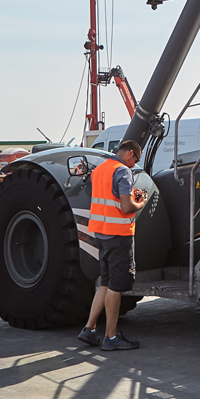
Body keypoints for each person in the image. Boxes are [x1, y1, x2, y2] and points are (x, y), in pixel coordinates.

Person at [77, 140, 148, 351]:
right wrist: (140, 202)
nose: (135, 164)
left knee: (105, 283)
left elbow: (108, 199)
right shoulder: (123, 171)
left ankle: (89, 329)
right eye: (135, 158)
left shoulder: (100, 170)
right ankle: (111, 336)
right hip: (118, 236)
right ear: (129, 153)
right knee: (116, 286)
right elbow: (126, 206)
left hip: (101, 234)